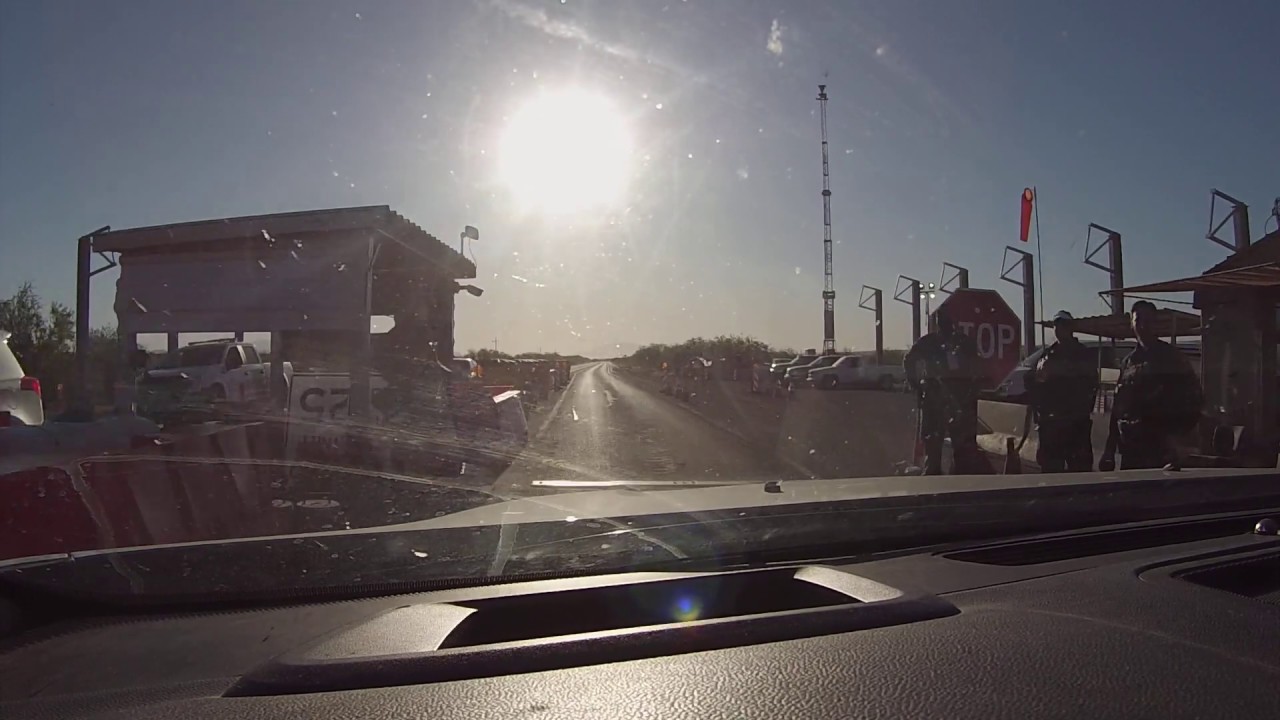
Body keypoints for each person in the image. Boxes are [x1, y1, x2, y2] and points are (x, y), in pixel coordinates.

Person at [1099, 301, 1203, 471]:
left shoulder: (1170, 358)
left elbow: (1195, 399)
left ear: (1155, 323)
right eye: (1138, 320)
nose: (1142, 325)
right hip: (1131, 448)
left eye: (1148, 320)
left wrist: (1177, 440)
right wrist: (1109, 450)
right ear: (1131, 324)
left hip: (1160, 450)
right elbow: (1118, 407)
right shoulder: (1128, 362)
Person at [904, 308, 987, 475]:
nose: (946, 324)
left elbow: (979, 367)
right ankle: (936, 488)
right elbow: (909, 360)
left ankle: (956, 486)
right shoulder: (930, 342)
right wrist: (918, 386)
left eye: (947, 320)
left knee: (960, 453)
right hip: (938, 399)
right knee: (934, 451)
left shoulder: (962, 342)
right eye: (943, 320)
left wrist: (972, 388)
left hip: (958, 400)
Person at [1026, 310, 1099, 472]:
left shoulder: (1083, 353)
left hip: (1076, 424)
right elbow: (1036, 384)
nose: (1060, 329)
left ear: (1071, 328)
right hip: (1051, 425)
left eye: (1064, 325)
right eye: (1056, 325)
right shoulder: (1047, 355)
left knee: (1080, 474)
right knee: (1050, 473)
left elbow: (1091, 382)